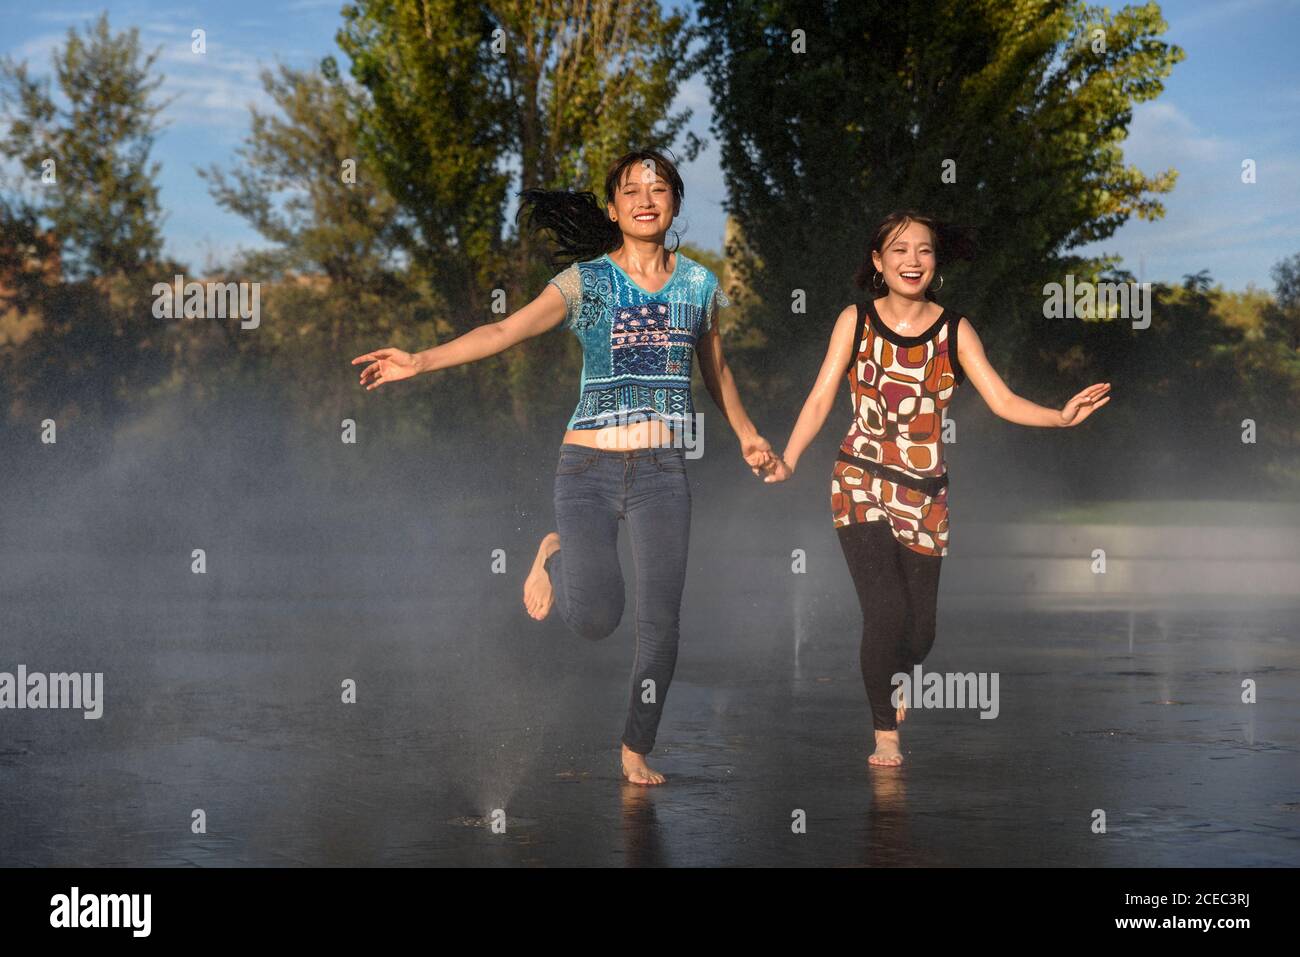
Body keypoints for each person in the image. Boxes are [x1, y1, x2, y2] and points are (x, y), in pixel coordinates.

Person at [352, 148, 776, 785]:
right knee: (596, 620)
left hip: (664, 470)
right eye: (630, 189)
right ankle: (553, 550)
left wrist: (746, 434)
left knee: (662, 624)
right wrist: (420, 361)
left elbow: (715, 369)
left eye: (658, 189)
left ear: (675, 204)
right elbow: (503, 332)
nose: (644, 198)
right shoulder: (585, 282)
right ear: (612, 209)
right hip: (586, 470)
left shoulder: (699, 286)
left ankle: (636, 747)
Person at [763, 210, 1110, 767]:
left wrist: (1060, 418)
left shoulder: (955, 329)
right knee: (886, 612)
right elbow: (822, 395)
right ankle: (884, 735)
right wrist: (791, 459)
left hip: (926, 495)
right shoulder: (855, 320)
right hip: (860, 480)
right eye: (899, 251)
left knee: (921, 631)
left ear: (936, 263)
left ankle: (898, 679)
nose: (912, 261)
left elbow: (1001, 399)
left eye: (924, 251)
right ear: (878, 262)